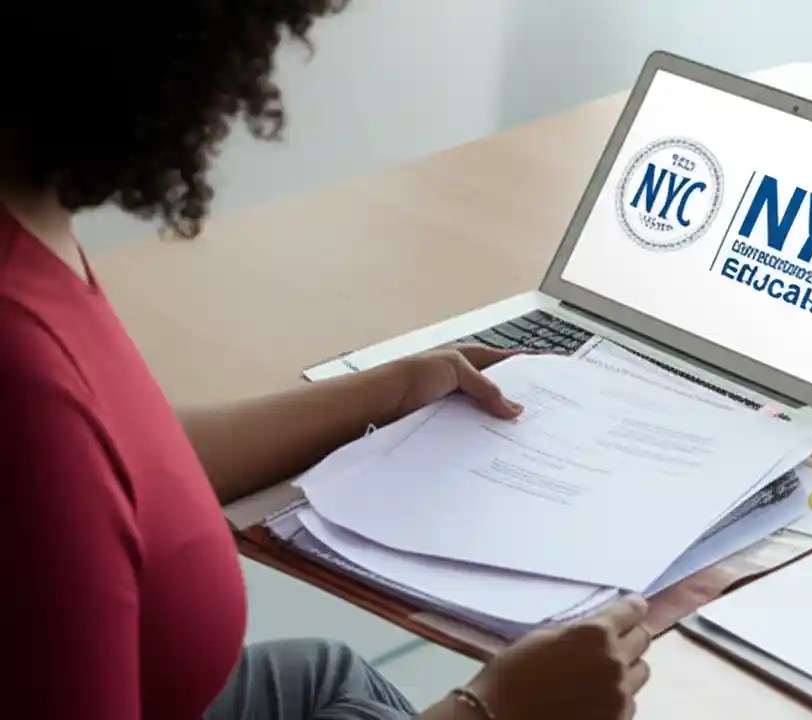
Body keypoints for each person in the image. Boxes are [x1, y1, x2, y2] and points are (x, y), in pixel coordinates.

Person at [0, 4, 652, 720]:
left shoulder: (27, 221)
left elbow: (120, 459)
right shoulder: (23, 386)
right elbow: (59, 460)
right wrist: (490, 711)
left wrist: (389, 390)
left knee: (328, 675)